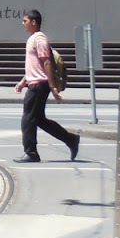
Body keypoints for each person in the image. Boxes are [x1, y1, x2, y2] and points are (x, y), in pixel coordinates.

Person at [13, 9, 79, 163]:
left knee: (28, 119)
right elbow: (35, 65)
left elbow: (47, 63)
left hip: (39, 85)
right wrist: (24, 81)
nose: (23, 23)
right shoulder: (33, 39)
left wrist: (52, 87)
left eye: (25, 20)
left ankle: (31, 153)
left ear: (34, 22)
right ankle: (71, 140)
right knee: (39, 119)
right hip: (35, 82)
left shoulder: (39, 39)